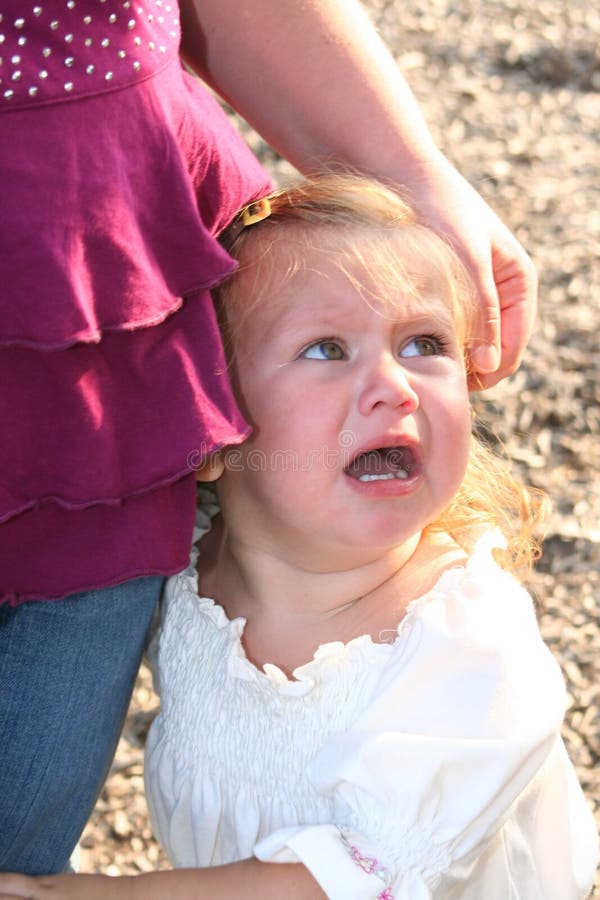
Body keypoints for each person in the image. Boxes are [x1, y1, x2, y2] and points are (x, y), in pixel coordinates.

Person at [0, 0, 537, 877]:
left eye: (426, 344)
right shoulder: (192, 585)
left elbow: (361, 876)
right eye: (328, 349)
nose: (394, 386)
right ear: (210, 414)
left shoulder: (465, 644)